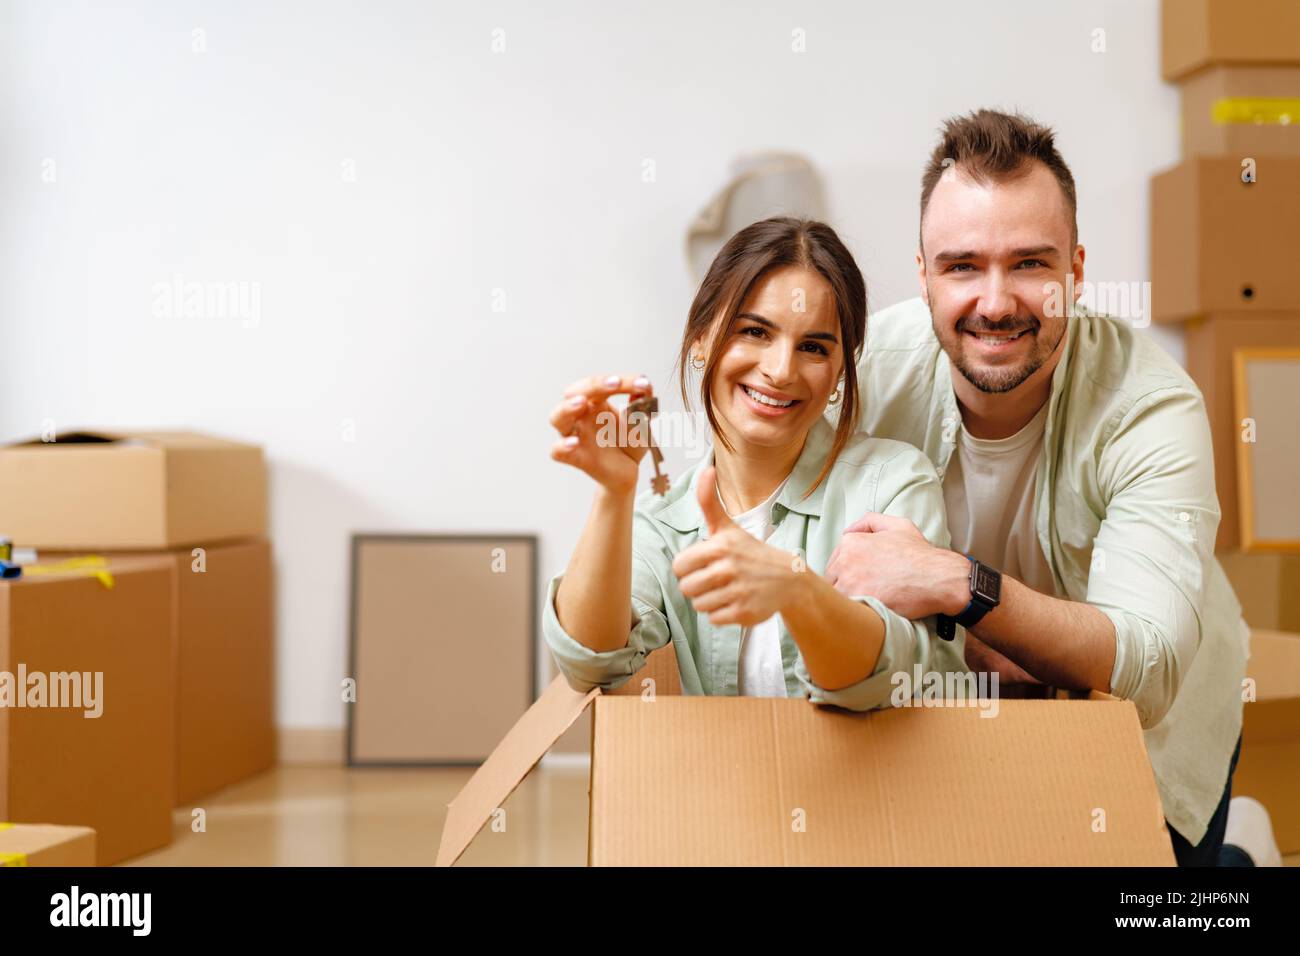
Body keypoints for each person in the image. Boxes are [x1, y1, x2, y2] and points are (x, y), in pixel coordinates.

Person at [824, 108, 1272, 865]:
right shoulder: (866, 379)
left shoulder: (1151, 405)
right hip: (947, 703)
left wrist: (956, 586)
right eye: (962, 265)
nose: (996, 303)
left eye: (1030, 264)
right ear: (924, 274)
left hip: (1143, 726)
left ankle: (1234, 868)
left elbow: (1146, 663)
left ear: (1076, 272)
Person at [543, 216, 965, 709]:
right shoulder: (664, 526)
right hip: (734, 786)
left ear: (837, 373)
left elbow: (888, 673)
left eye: (812, 347)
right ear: (701, 337)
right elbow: (590, 662)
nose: (781, 370)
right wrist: (613, 493)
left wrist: (796, 588)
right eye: (755, 332)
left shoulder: (890, 484)